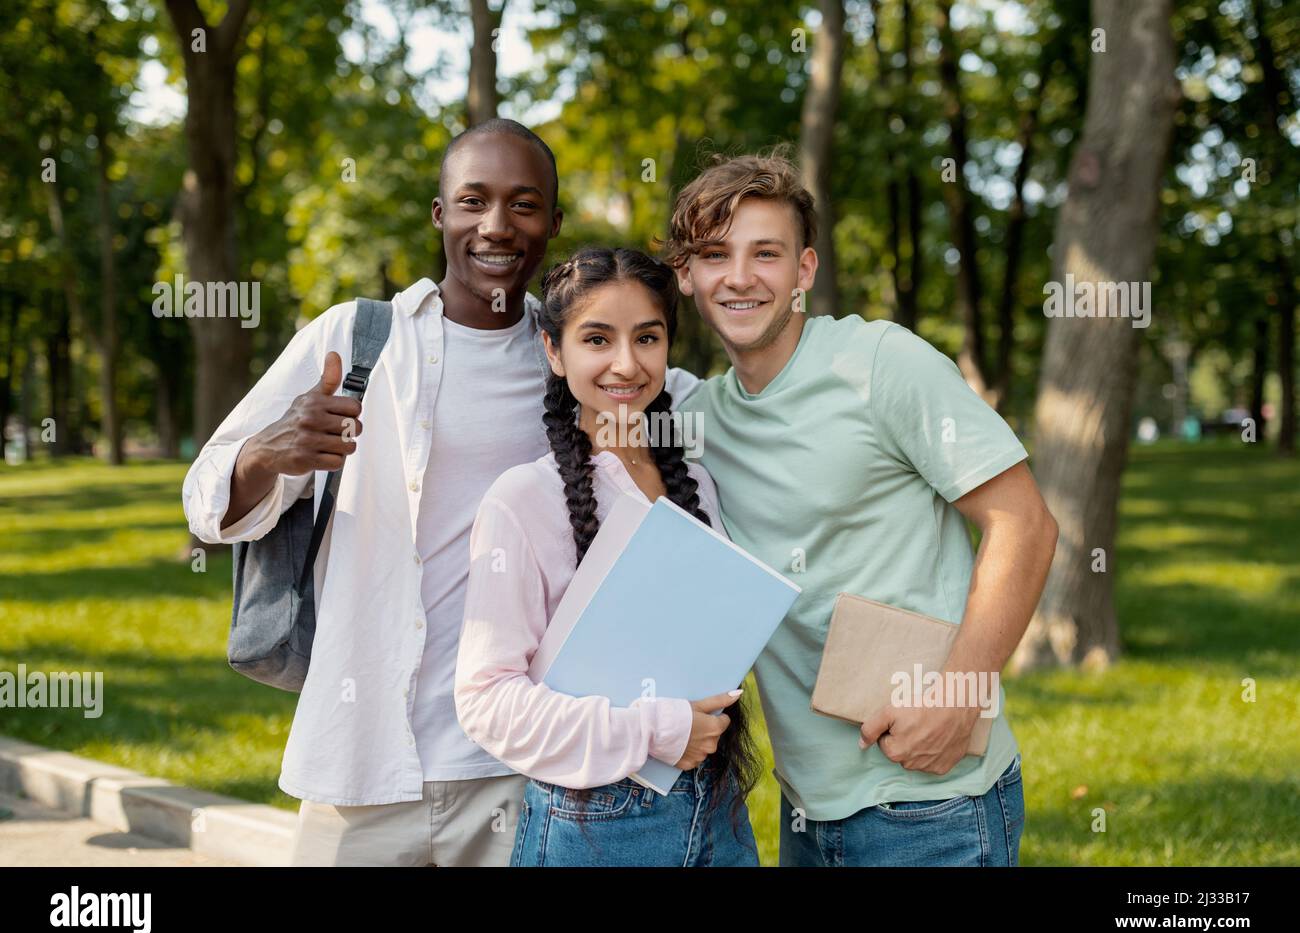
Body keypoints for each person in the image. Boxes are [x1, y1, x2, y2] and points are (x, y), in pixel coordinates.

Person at [181, 120, 700, 866]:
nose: (497, 226)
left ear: (553, 222)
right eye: (472, 201)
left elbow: (720, 417)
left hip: (517, 772)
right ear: (440, 215)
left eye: (524, 205)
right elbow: (205, 498)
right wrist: (270, 452)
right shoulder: (358, 339)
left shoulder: (581, 357)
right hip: (362, 764)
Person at [664, 149, 1060, 867]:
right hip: (806, 810)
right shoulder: (703, 422)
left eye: (767, 253)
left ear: (805, 271)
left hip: (933, 800)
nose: (742, 277)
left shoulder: (881, 363)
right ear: (686, 274)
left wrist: (962, 693)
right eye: (716, 254)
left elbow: (1025, 522)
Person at [454, 247, 761, 867]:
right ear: (554, 351)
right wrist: (654, 731)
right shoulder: (522, 500)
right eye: (598, 339)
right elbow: (486, 702)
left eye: (647, 337)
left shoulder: (696, 483)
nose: (627, 363)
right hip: (594, 823)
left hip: (716, 806)